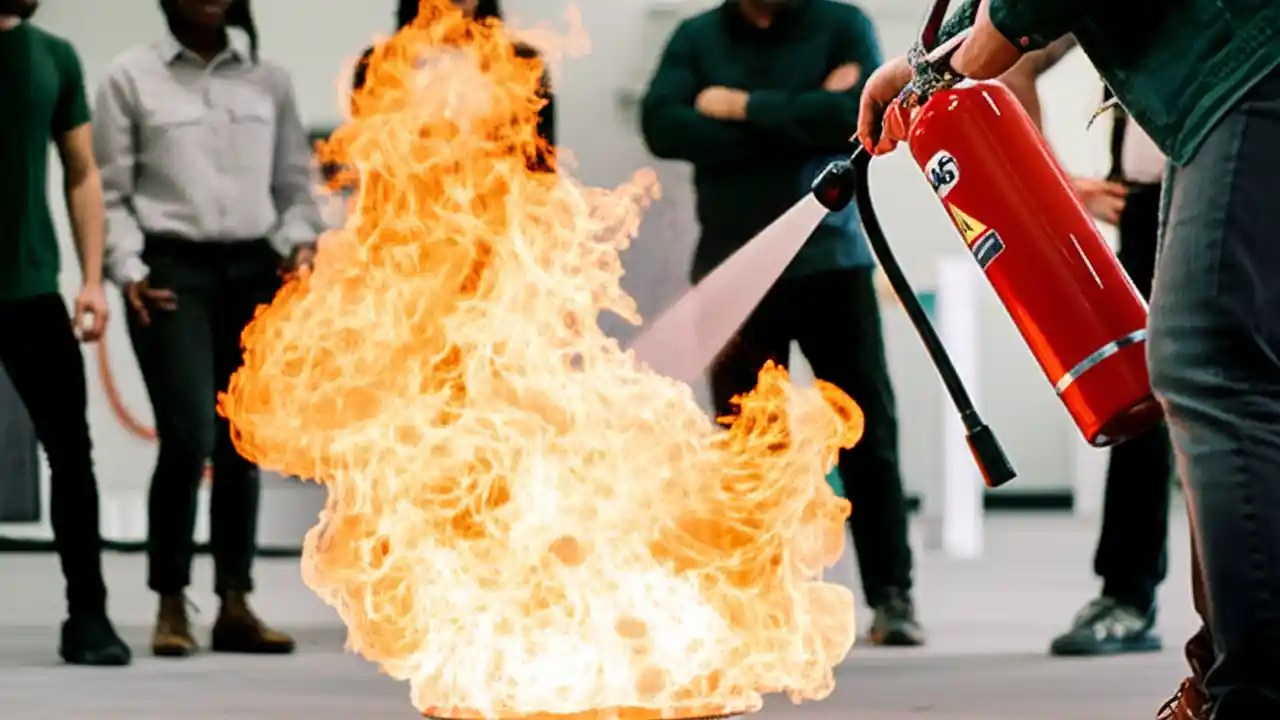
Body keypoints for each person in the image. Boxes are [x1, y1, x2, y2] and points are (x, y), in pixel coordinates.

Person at [857, 0, 1280, 716]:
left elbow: (1006, 32)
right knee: (1224, 372)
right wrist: (929, 63)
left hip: (1245, 65)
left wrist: (982, 40)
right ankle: (1220, 681)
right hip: (1220, 79)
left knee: (1206, 363)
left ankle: (1251, 696)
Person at [640, 0, 924, 647]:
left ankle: (892, 597)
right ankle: (749, 602)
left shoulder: (845, 25)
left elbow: (850, 122)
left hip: (832, 265)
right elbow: (663, 126)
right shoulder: (696, 36)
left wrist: (736, 107)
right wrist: (800, 111)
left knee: (869, 437)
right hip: (732, 274)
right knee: (743, 443)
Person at [93, 0, 326, 658]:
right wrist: (127, 269)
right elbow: (111, 189)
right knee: (189, 434)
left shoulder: (268, 79)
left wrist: (297, 242)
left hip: (254, 273)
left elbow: (293, 185)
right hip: (173, 272)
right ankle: (171, 602)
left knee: (240, 442)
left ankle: (234, 602)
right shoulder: (130, 76)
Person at [1000, 36, 1175, 658]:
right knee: (1142, 393)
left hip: (1247, 183)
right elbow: (1010, 59)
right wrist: (1059, 183)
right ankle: (1125, 593)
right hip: (1148, 202)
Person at [0, 0, 131, 667]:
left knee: (71, 459)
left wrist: (90, 279)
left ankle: (89, 617)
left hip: (28, 290)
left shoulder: (53, 56)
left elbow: (83, 171)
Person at [352, 0, 556, 170]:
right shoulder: (378, 66)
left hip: (497, 210)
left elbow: (540, 167)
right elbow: (369, 165)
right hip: (410, 210)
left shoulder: (523, 65)